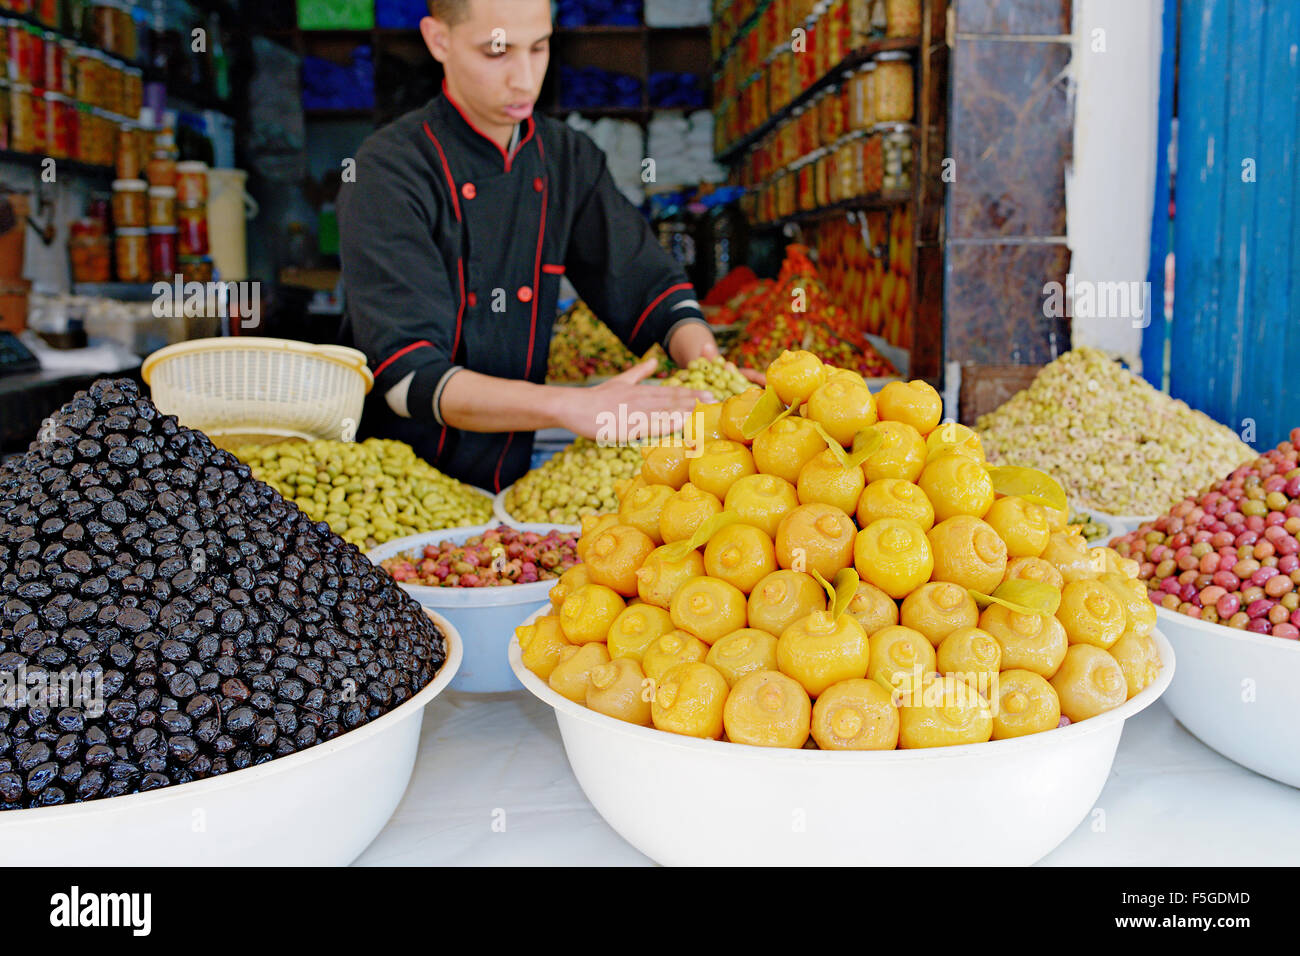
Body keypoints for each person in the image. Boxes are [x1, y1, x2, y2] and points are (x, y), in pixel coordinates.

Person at [338, 0, 735, 492]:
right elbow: (408, 378)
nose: (525, 80)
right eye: (497, 52)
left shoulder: (567, 157)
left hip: (512, 482)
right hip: (398, 487)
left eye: (539, 48)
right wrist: (573, 406)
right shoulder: (387, 171)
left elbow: (646, 285)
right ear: (439, 40)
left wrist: (708, 366)